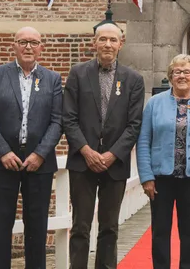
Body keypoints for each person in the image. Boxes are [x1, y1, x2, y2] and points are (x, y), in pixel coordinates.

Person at [0, 26, 63, 269]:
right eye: (23, 42)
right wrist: (3, 152)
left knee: (37, 225)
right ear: (14, 45)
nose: (28, 47)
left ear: (41, 48)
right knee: (1, 224)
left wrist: (40, 154)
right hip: (2, 162)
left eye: (34, 42)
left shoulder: (52, 79)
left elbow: (58, 121)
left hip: (39, 164)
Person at [62, 21, 145, 269]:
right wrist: (86, 151)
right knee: (80, 226)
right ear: (94, 43)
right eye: (103, 39)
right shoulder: (78, 74)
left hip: (114, 165)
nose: (107, 44)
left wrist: (112, 155)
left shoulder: (133, 79)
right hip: (82, 162)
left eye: (113, 40)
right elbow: (68, 118)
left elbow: (134, 124)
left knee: (109, 228)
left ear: (121, 44)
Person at [136, 54, 190, 269]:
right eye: (177, 72)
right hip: (161, 178)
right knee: (160, 231)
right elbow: (143, 140)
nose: (182, 76)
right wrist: (146, 176)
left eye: (187, 72)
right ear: (170, 76)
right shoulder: (154, 104)